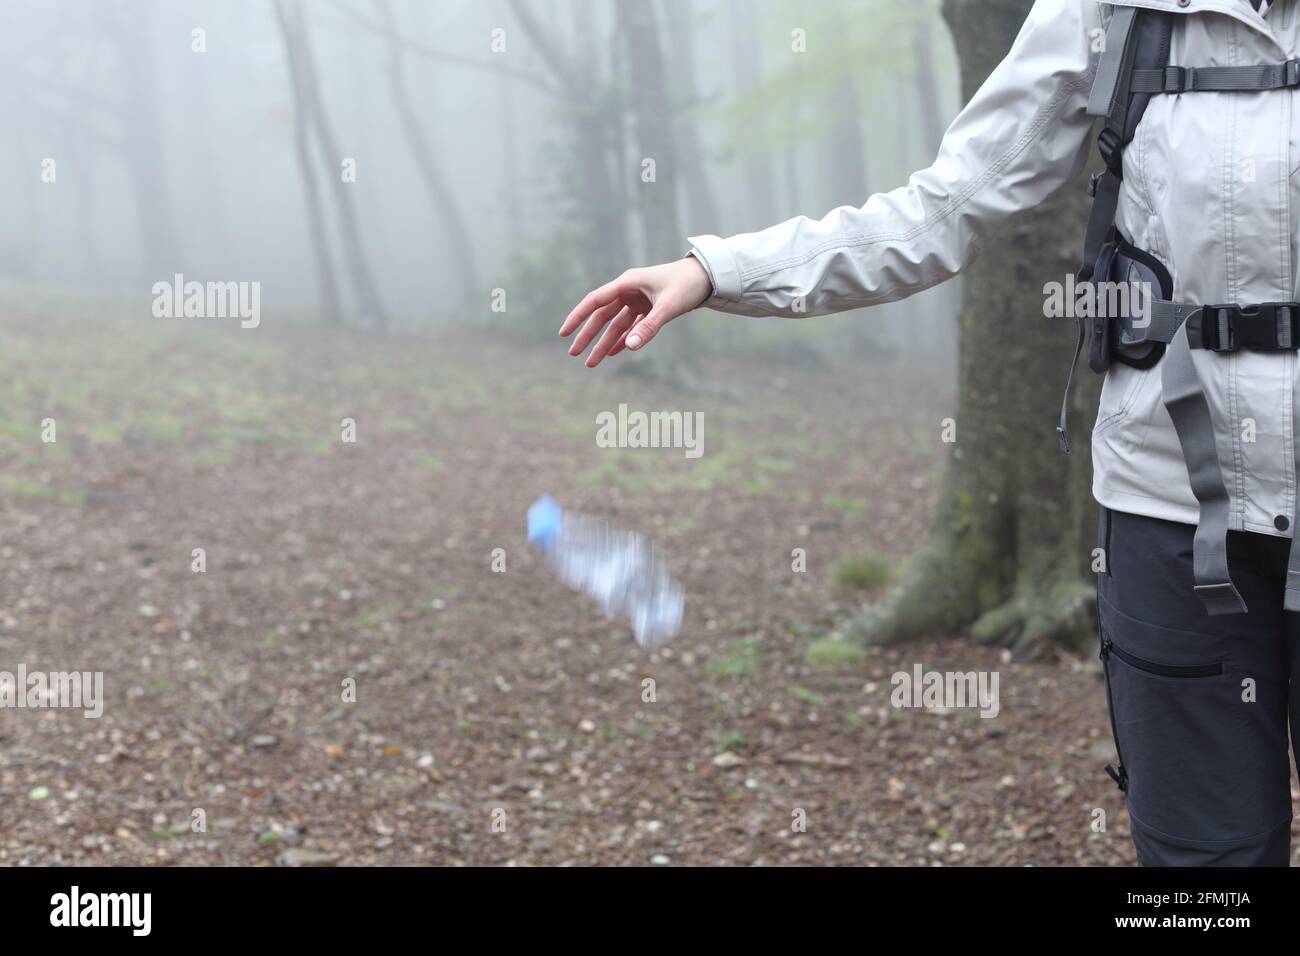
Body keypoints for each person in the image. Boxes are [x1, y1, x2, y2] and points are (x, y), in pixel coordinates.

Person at [561, 0, 1300, 866]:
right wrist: (718, 270)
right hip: (1167, 510)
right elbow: (942, 208)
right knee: (1201, 882)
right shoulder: (1106, 13)